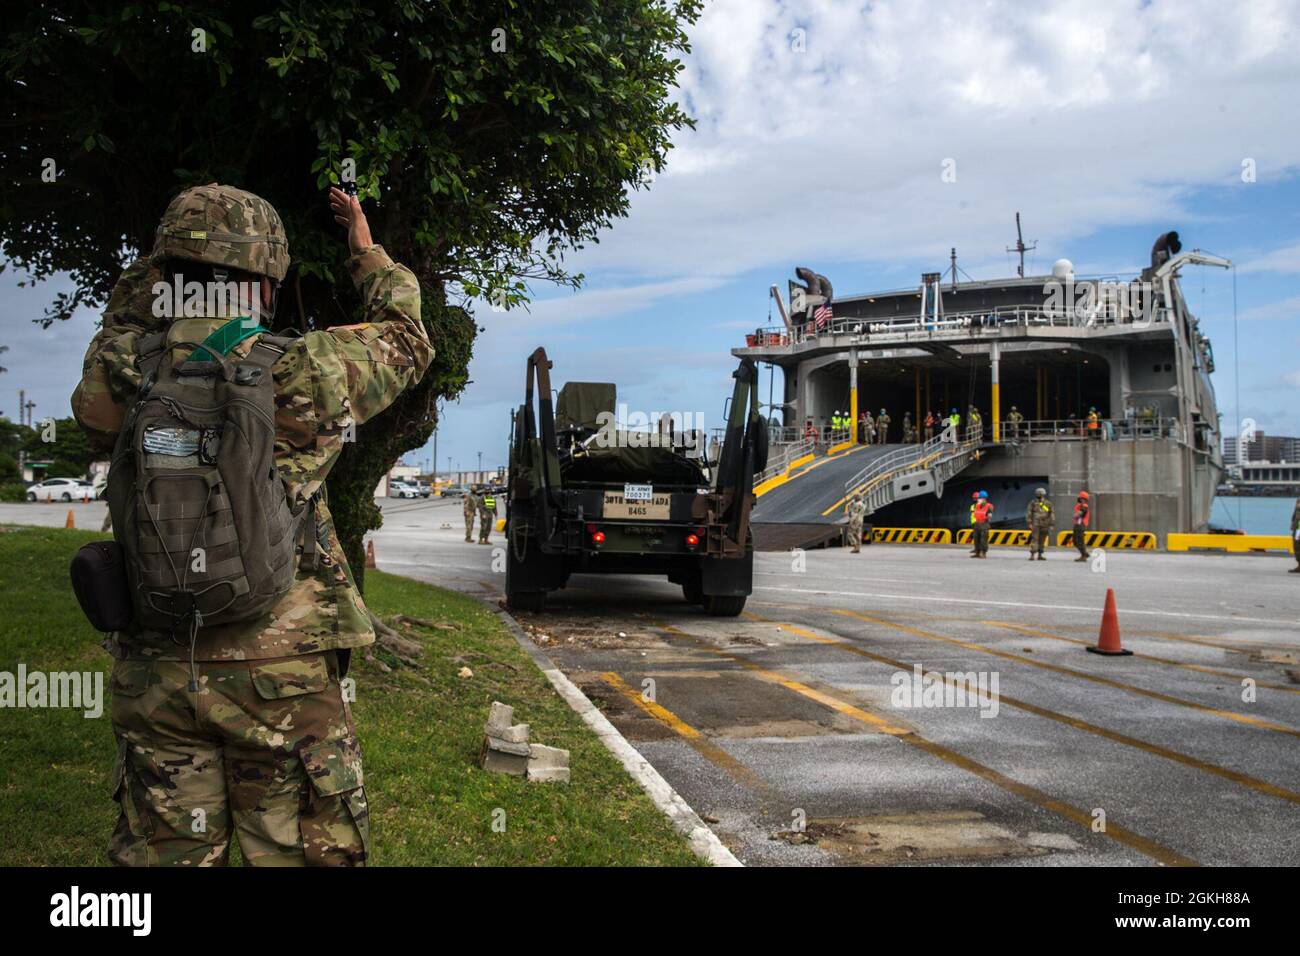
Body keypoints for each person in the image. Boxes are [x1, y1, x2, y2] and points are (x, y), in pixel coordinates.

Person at [71, 184, 432, 866]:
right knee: (295, 850)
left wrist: (156, 275)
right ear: (266, 290)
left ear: (162, 276)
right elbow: (408, 340)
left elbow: (114, 341)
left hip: (158, 667)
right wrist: (367, 252)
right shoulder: (307, 369)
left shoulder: (117, 372)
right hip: (282, 677)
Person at [1027, 487, 1054, 560]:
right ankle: (1033, 554)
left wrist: (1051, 524)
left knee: (1041, 540)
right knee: (1035, 539)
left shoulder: (1047, 503)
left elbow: (1051, 513)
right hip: (1037, 524)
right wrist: (1029, 522)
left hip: (1044, 524)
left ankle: (1039, 554)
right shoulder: (1033, 503)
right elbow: (1029, 513)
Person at [972, 490, 994, 558]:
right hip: (977, 524)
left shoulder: (989, 506)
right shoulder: (977, 506)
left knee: (983, 539)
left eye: (979, 498)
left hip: (984, 524)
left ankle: (983, 552)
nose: (978, 500)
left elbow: (990, 516)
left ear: (984, 499)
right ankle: (977, 552)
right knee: (976, 538)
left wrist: (987, 519)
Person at [1073, 490, 1091, 561]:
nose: (1082, 500)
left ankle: (1083, 556)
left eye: (1083, 499)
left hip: (1081, 525)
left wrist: (1076, 514)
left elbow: (1082, 512)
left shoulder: (1084, 506)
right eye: (1081, 498)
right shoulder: (1079, 506)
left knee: (1080, 540)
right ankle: (1085, 553)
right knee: (1075, 541)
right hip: (1077, 524)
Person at [1291, 496, 1300, 574]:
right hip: (1297, 529)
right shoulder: (1298, 500)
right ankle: (1299, 565)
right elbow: (1294, 515)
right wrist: (1292, 526)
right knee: (1296, 546)